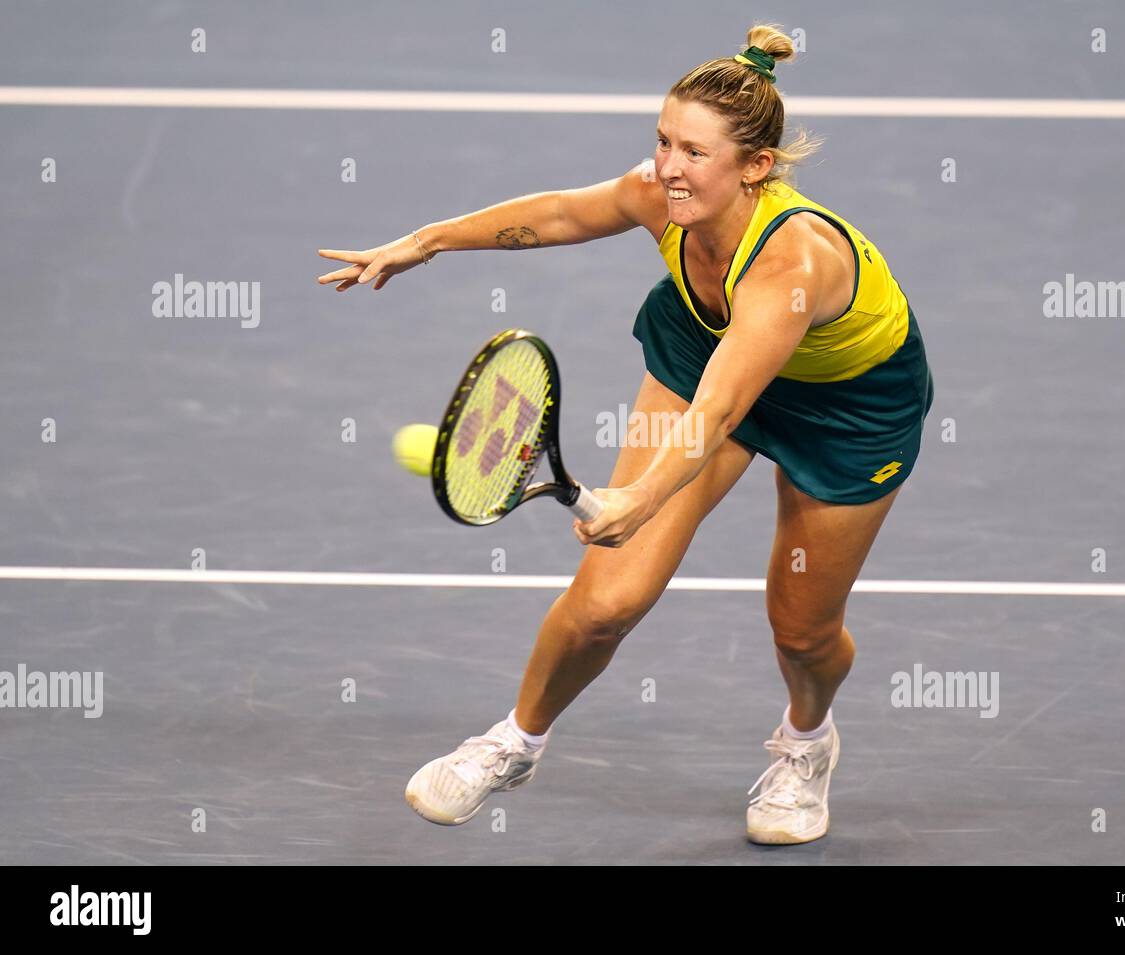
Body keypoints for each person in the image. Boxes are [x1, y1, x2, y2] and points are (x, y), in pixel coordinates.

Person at [317, 23, 935, 846]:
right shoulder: (662, 194)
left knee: (803, 628)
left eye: (695, 153)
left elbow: (718, 413)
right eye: (663, 141)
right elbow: (565, 214)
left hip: (848, 409)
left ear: (756, 167)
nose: (670, 168)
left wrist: (642, 497)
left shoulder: (795, 262)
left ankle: (805, 743)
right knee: (607, 600)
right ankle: (514, 741)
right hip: (704, 351)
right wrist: (423, 242)